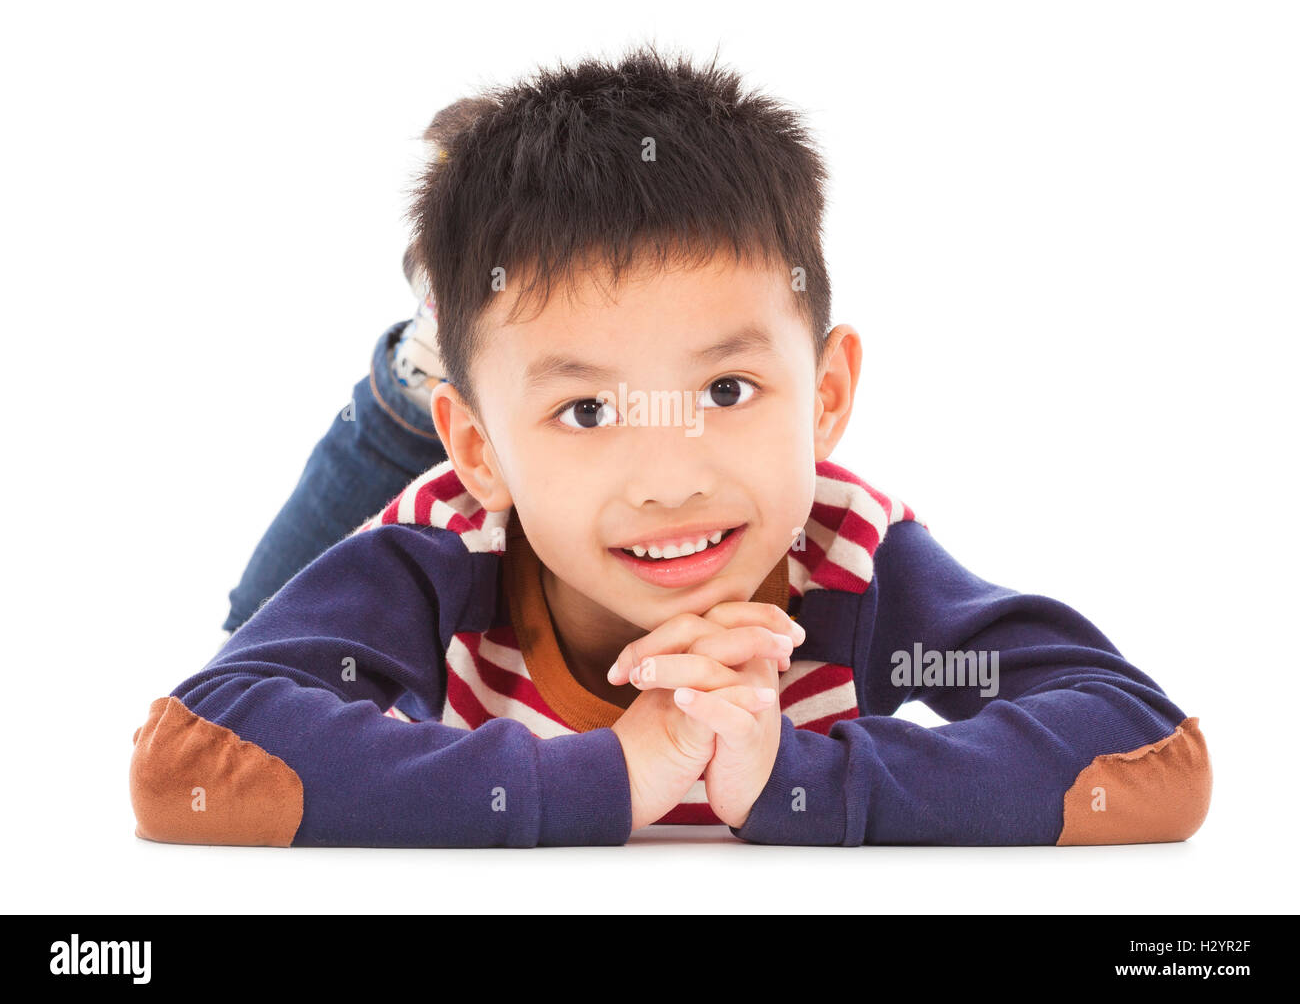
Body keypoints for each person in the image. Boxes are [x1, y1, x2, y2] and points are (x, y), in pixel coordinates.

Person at [128, 44, 1212, 847]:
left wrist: (796, 780)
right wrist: (613, 775)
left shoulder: (847, 551)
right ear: (482, 454)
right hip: (438, 476)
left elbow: (1144, 747)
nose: (674, 477)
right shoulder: (450, 545)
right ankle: (418, 383)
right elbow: (196, 753)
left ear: (826, 394)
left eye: (729, 388)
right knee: (252, 627)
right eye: (589, 411)